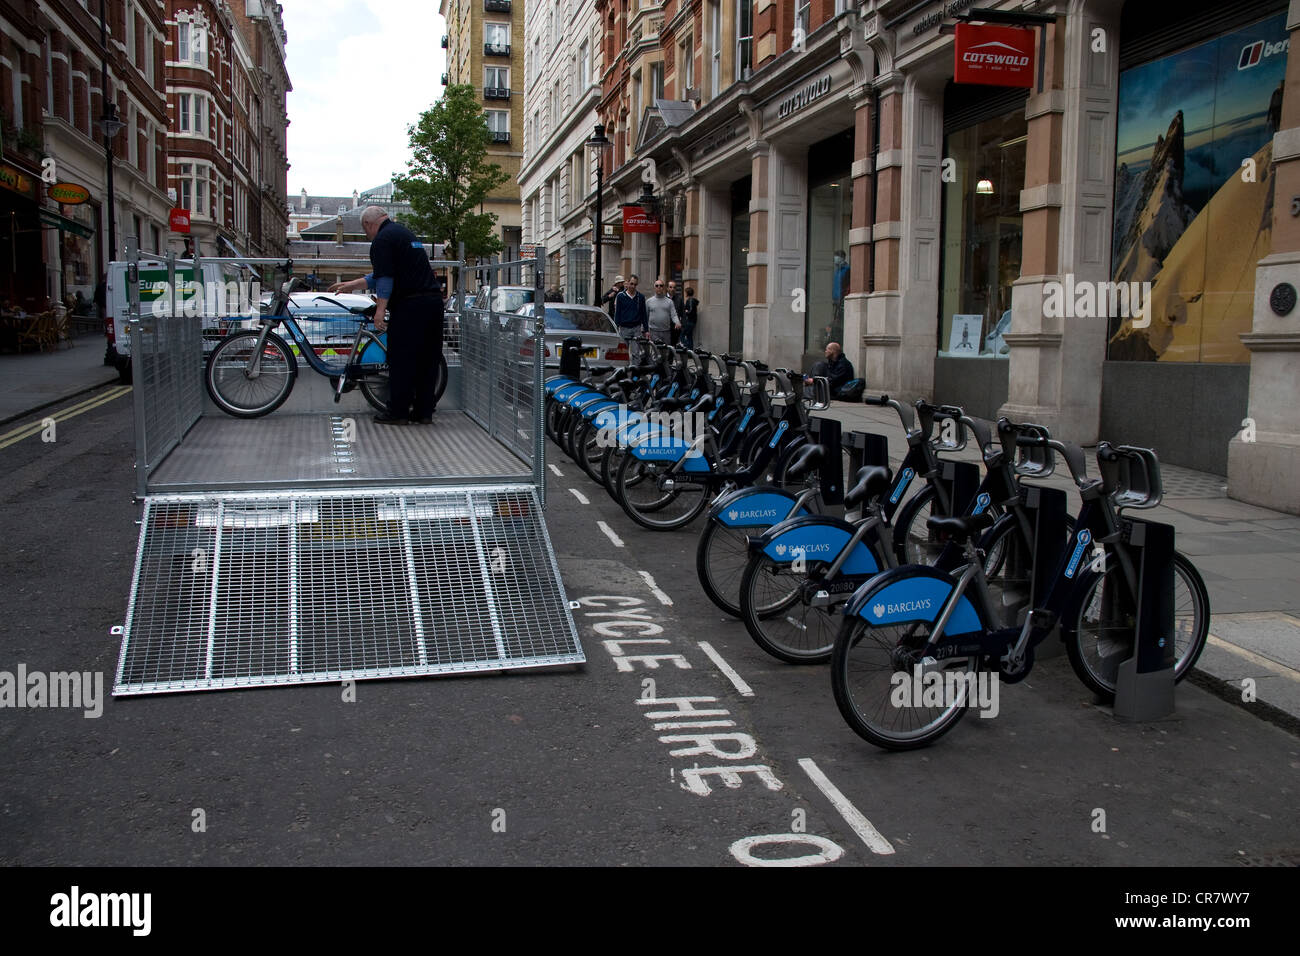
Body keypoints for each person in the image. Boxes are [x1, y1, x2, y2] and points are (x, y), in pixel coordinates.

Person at [329, 206, 443, 425]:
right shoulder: (403, 234)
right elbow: (384, 272)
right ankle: (423, 412)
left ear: (369, 225)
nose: (368, 236)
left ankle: (398, 412)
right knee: (428, 359)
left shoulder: (382, 240)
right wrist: (353, 285)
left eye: (366, 232)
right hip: (433, 303)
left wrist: (380, 311)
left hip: (410, 306)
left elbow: (385, 278)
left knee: (401, 358)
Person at [612, 274, 648, 341]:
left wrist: (646, 330)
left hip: (636, 328)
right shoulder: (620, 296)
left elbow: (644, 314)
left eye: (635, 284)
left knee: (635, 351)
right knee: (624, 350)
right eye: (631, 284)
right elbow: (617, 313)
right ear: (627, 283)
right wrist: (616, 328)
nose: (633, 286)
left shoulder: (640, 297)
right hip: (624, 328)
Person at [646, 278, 680, 344]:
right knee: (655, 353)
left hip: (666, 332)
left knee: (665, 353)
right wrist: (645, 330)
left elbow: (674, 314)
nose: (659, 287)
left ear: (664, 288)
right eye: (657, 286)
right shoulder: (649, 301)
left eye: (661, 286)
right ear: (654, 288)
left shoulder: (669, 302)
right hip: (653, 332)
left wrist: (677, 322)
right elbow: (645, 317)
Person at [667, 280, 684, 345]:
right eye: (670, 287)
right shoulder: (663, 298)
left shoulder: (679, 299)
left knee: (672, 348)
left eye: (674, 287)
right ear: (667, 288)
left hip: (675, 330)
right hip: (664, 329)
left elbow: (683, 314)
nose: (672, 289)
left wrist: (681, 326)